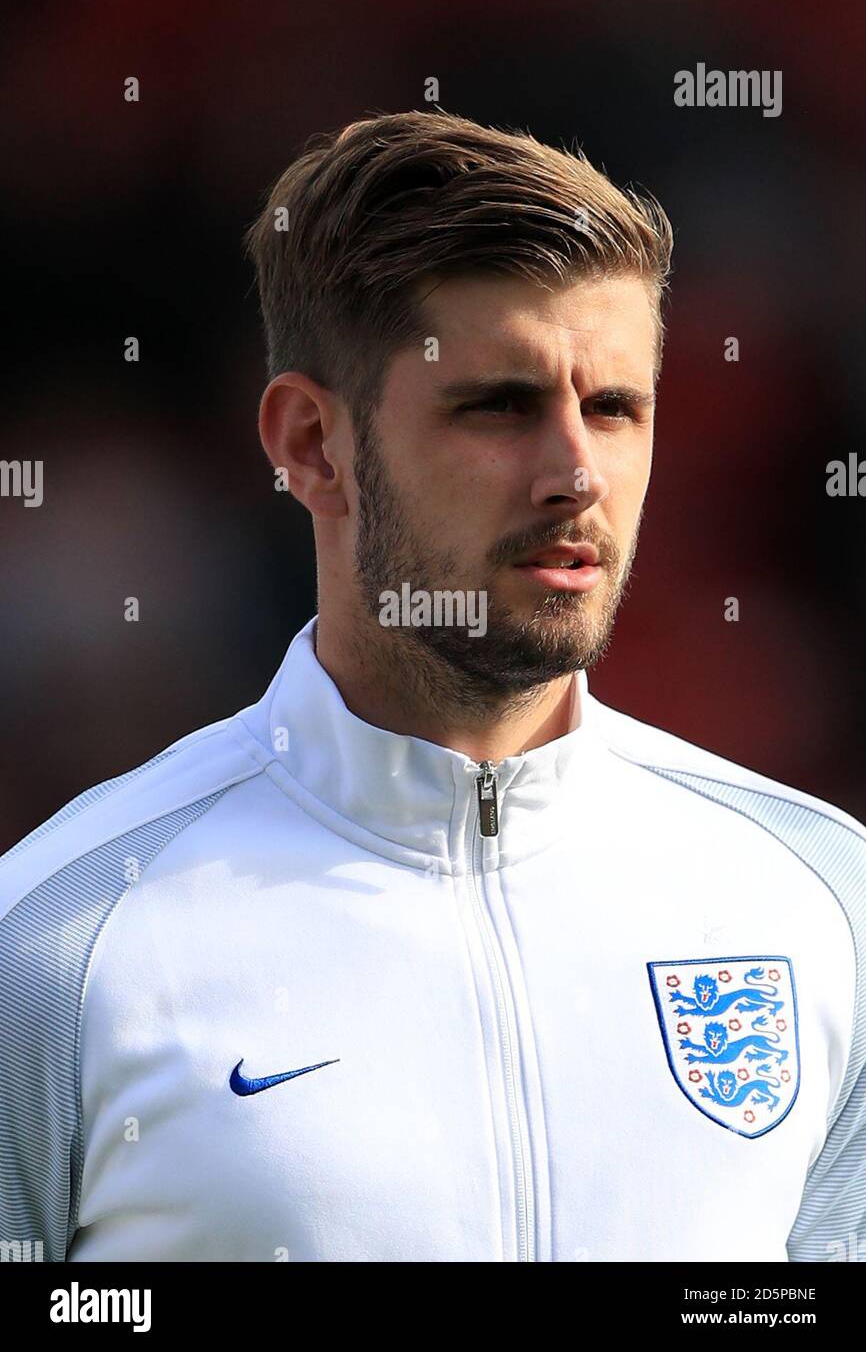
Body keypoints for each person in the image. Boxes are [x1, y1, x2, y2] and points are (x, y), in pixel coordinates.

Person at [1, 110, 863, 1263]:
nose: (574, 476)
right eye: (498, 406)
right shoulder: (57, 939)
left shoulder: (822, 907)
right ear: (312, 443)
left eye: (612, 408)